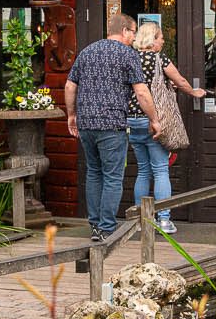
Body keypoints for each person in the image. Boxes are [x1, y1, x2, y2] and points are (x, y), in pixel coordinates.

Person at [64, 14, 159, 242]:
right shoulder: (128, 54)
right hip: (111, 124)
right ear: (124, 31)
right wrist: (154, 119)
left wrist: (72, 115)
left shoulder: (88, 51)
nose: (134, 36)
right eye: (133, 31)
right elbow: (142, 92)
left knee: (94, 173)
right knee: (113, 177)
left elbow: (69, 85)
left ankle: (95, 225)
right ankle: (107, 228)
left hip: (86, 124)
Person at [127, 20, 208, 234]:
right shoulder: (158, 58)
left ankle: (141, 221)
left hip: (133, 120)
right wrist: (194, 92)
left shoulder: (130, 58)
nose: (163, 40)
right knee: (161, 169)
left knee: (143, 170)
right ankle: (163, 220)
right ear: (153, 40)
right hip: (153, 121)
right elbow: (180, 80)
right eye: (161, 37)